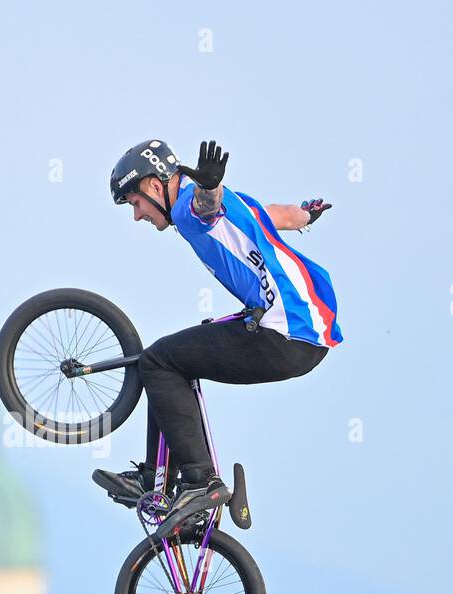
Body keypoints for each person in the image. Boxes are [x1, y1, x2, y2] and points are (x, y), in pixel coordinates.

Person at [93, 139, 342, 538]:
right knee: (167, 359)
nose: (137, 215)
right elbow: (281, 215)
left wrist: (209, 187)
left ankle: (200, 482)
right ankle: (159, 479)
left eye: (134, 202)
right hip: (302, 332)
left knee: (159, 362)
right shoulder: (235, 204)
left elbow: (206, 207)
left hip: (285, 333)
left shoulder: (191, 206)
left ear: (156, 186)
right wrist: (307, 213)